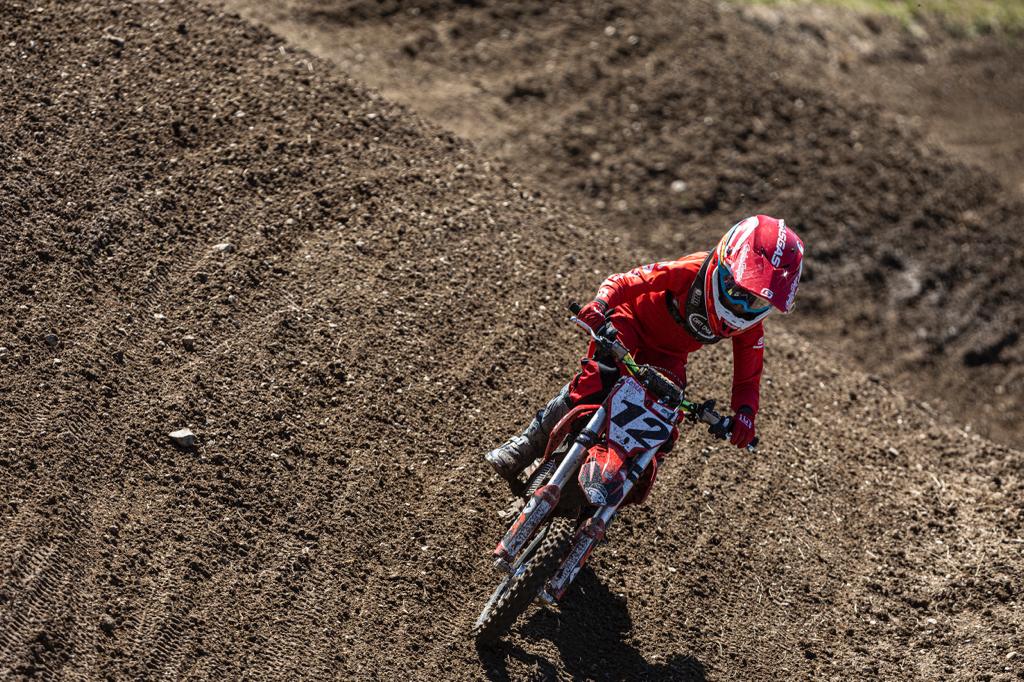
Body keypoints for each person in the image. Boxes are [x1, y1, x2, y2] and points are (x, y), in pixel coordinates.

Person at [484, 215, 805, 486]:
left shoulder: (750, 326)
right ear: (726, 262)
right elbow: (628, 280)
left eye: (757, 300)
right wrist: (600, 303)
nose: (743, 305)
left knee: (663, 427)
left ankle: (607, 495)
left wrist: (745, 415)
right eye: (738, 289)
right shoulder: (692, 271)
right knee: (594, 382)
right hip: (630, 324)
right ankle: (527, 444)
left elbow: (749, 377)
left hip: (669, 356)